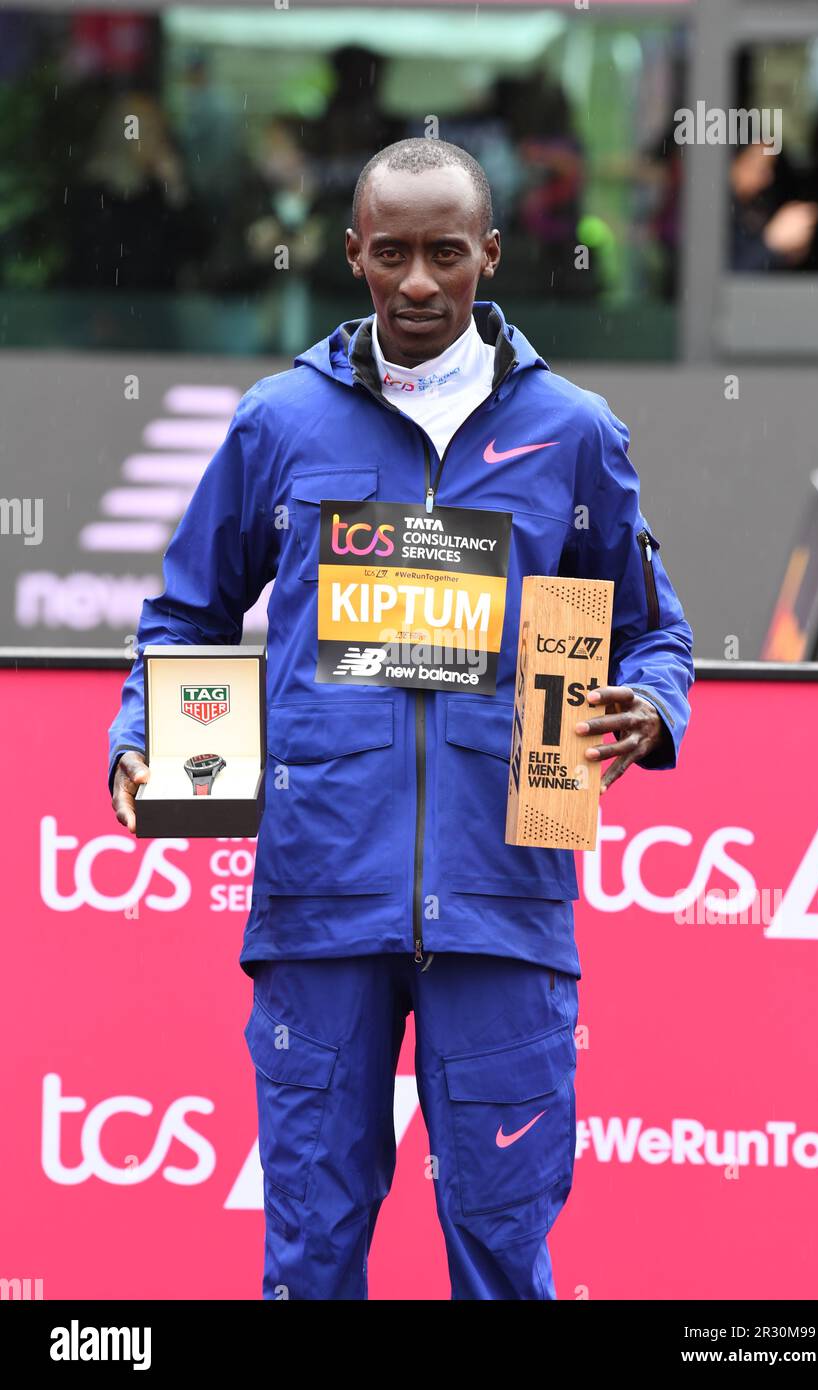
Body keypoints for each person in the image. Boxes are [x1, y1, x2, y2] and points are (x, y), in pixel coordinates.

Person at [108, 138, 694, 1301]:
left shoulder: (572, 430)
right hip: (322, 898)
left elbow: (649, 632)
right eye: (390, 256)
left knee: (500, 1247)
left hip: (501, 896)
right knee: (311, 1249)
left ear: (488, 252)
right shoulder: (279, 421)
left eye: (442, 254)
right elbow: (183, 609)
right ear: (351, 257)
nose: (418, 283)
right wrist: (143, 737)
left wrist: (649, 707)